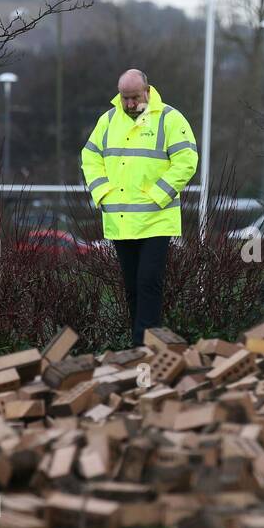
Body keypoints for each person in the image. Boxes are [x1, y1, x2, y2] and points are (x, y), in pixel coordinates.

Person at [81, 68, 198, 347]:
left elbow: (187, 161)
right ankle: (141, 345)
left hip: (156, 219)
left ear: (147, 91)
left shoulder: (170, 118)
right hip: (121, 220)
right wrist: (102, 193)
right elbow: (90, 156)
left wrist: (158, 196)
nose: (130, 104)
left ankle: (144, 346)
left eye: (134, 97)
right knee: (132, 287)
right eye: (125, 98)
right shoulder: (108, 121)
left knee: (149, 282)